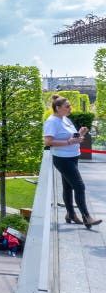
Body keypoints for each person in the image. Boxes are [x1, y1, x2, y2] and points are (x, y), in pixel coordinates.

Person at [43, 94, 102, 227]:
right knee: (79, 186)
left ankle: (70, 214)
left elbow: (71, 137)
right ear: (58, 108)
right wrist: (70, 141)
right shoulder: (52, 121)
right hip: (63, 159)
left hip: (72, 156)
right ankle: (87, 217)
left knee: (68, 186)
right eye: (67, 106)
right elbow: (48, 142)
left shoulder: (65, 119)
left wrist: (80, 133)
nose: (70, 109)